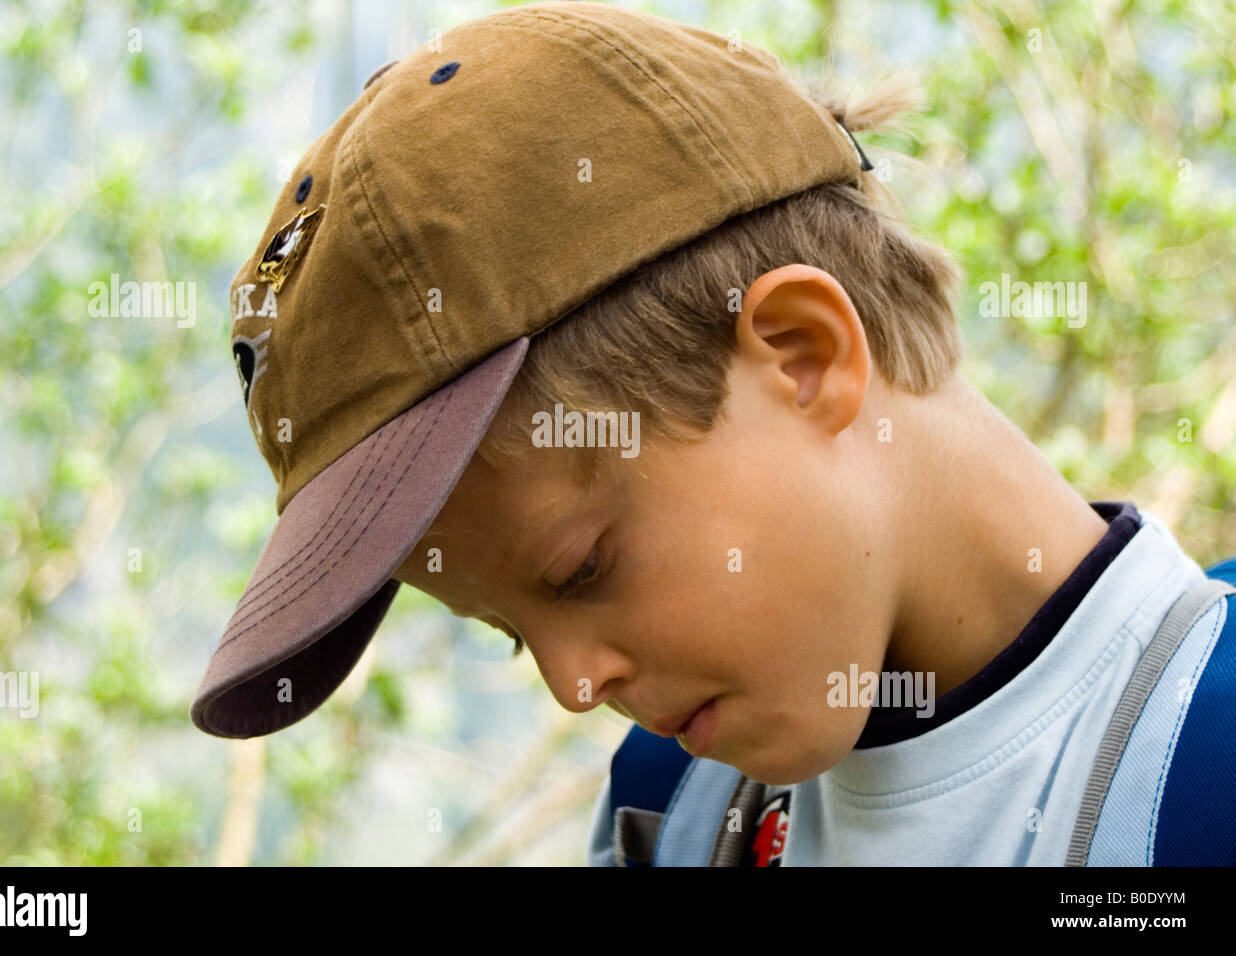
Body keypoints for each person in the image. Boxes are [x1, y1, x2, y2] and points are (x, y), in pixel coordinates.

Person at [190, 1, 1236, 866]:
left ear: (801, 353)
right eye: (509, 633)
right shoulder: (673, 813)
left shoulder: (1204, 766)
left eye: (580, 567)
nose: (572, 686)